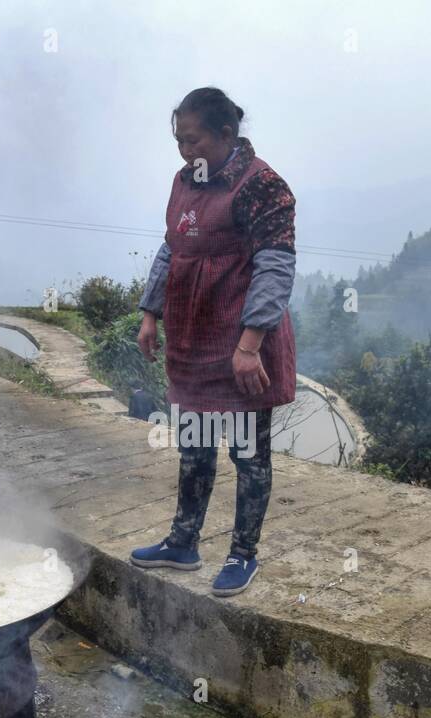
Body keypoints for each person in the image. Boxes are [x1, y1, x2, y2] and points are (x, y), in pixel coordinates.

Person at [129, 88, 297, 596]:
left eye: (192, 139)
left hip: (242, 343)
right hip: (192, 339)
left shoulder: (261, 185)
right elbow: (170, 249)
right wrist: (149, 313)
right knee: (195, 448)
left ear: (227, 134)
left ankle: (243, 554)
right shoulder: (183, 182)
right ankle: (183, 542)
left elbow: (275, 265)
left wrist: (249, 346)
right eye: (178, 140)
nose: (184, 150)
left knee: (248, 453)